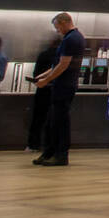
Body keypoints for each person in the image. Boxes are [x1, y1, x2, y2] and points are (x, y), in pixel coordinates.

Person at [33, 13, 84, 167]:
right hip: (64, 85)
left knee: (59, 121)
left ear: (63, 23)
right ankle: (50, 152)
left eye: (57, 27)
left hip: (64, 86)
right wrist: (43, 76)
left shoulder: (71, 39)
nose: (57, 31)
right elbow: (59, 64)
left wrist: (46, 80)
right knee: (53, 120)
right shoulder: (74, 37)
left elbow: (63, 64)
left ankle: (60, 155)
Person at [27, 34, 60, 152]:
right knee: (52, 120)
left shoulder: (43, 55)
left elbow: (36, 73)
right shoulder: (60, 57)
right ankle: (49, 145)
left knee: (38, 118)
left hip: (42, 90)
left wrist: (42, 80)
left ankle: (32, 144)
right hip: (55, 90)